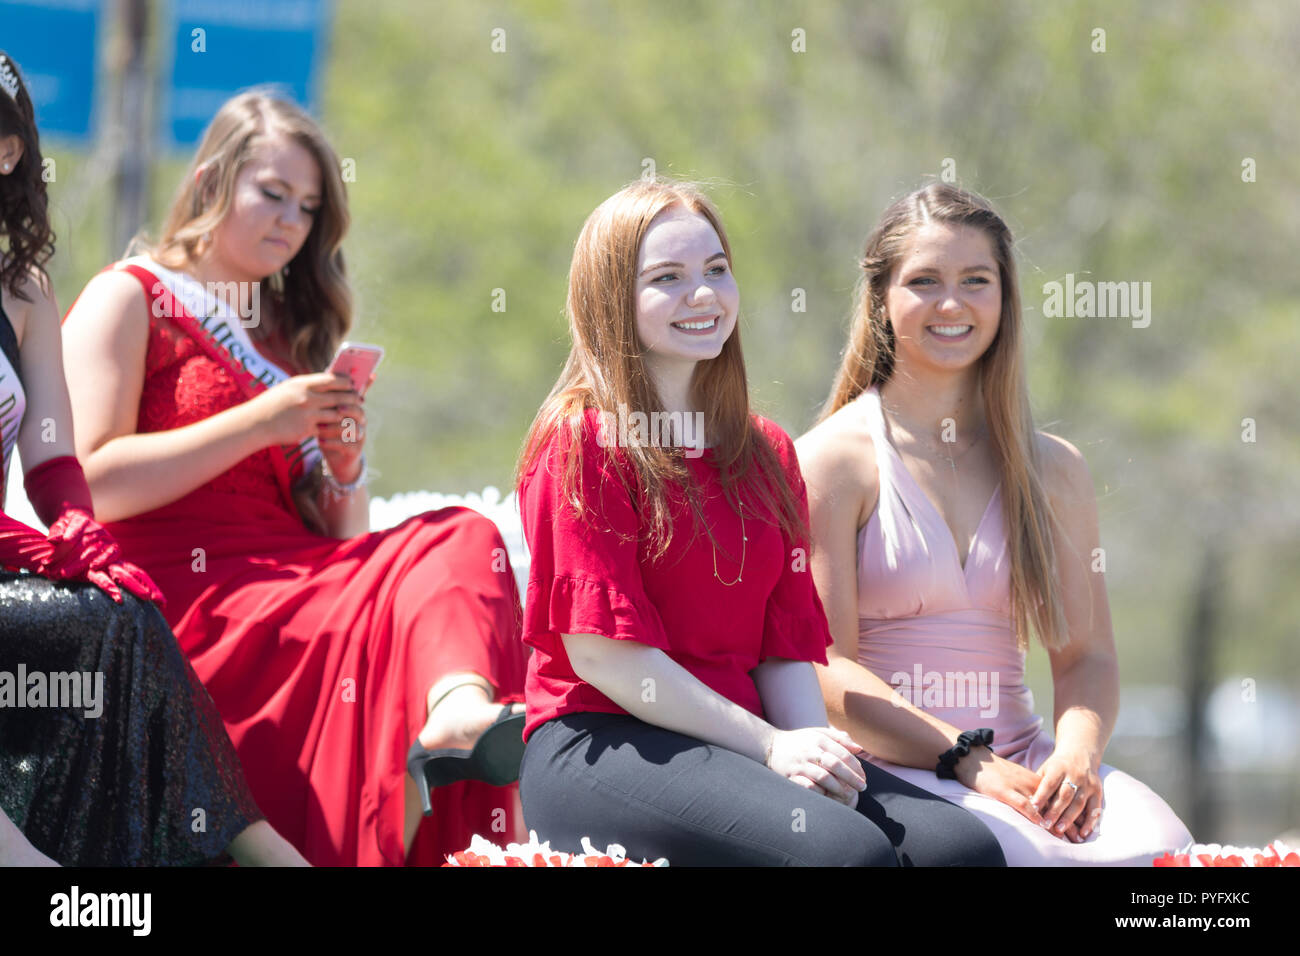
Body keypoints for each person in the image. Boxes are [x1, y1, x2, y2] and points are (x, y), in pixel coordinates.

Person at [61, 91, 528, 866]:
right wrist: (261, 423)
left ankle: (459, 715)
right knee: (401, 597)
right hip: (187, 599)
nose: (290, 219)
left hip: (296, 577)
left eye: (308, 207)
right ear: (210, 182)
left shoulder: (286, 339)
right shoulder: (128, 296)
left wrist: (341, 470)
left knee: (466, 536)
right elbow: (91, 482)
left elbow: (343, 539)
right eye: (272, 193)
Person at [513, 178, 1005, 866]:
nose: (704, 293)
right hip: (606, 739)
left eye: (717, 269)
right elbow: (605, 657)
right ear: (611, 300)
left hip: (744, 741)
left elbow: (783, 646)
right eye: (668, 277)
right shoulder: (582, 441)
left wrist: (816, 752)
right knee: (843, 855)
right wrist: (773, 746)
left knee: (961, 851)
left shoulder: (766, 452)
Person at [796, 182, 1193, 865]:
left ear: (1004, 298)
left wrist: (1076, 754)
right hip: (897, 767)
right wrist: (965, 760)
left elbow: (1086, 657)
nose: (952, 304)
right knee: (1012, 855)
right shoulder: (833, 460)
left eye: (976, 280)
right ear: (882, 301)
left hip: (1024, 760)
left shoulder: (1055, 469)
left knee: (1163, 854)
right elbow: (827, 672)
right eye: (924, 281)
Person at [0, 50, 305, 867]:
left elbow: (55, 460)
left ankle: (234, 851)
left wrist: (77, 531)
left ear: (7, 153)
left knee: (122, 618)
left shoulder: (23, 291)